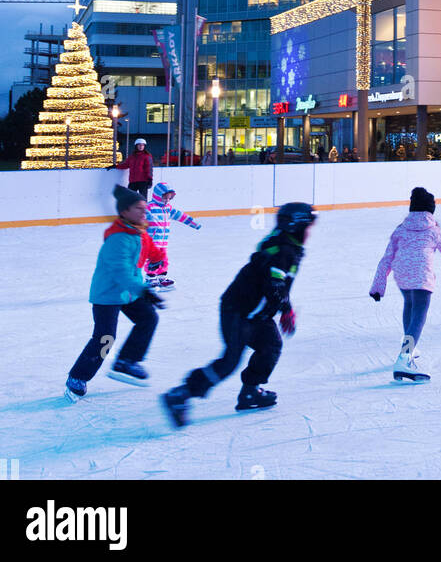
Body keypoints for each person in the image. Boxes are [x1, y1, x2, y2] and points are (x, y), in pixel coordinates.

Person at [161, 202, 317, 427]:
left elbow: (278, 287)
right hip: (239, 311)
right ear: (297, 227)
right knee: (229, 361)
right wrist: (286, 310)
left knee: (271, 346)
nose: (310, 232)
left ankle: (250, 392)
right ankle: (180, 395)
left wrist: (284, 307)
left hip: (256, 313)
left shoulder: (285, 244)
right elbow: (274, 286)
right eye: (308, 227)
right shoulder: (284, 250)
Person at [65, 186, 165, 400]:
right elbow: (120, 272)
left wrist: (159, 256)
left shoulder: (140, 231)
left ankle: (127, 361)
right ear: (125, 211)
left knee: (148, 318)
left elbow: (150, 249)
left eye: (144, 208)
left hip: (129, 292)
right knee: (105, 338)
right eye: (138, 208)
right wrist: (144, 290)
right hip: (108, 294)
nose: (143, 212)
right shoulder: (117, 239)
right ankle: (78, 377)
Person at [369, 187, 441, 382]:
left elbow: (386, 258)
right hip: (421, 275)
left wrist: (377, 286)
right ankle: (405, 357)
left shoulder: (400, 229)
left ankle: (410, 346)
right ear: (431, 210)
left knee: (409, 304)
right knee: (419, 313)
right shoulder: (434, 230)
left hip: (402, 275)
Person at [144, 182, 202, 289]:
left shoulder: (168, 208)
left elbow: (181, 216)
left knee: (164, 259)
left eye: (169, 198)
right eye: (164, 197)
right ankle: (150, 277)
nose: (167, 200)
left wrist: (194, 223)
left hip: (163, 240)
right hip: (152, 240)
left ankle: (162, 276)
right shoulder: (149, 207)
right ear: (158, 195)